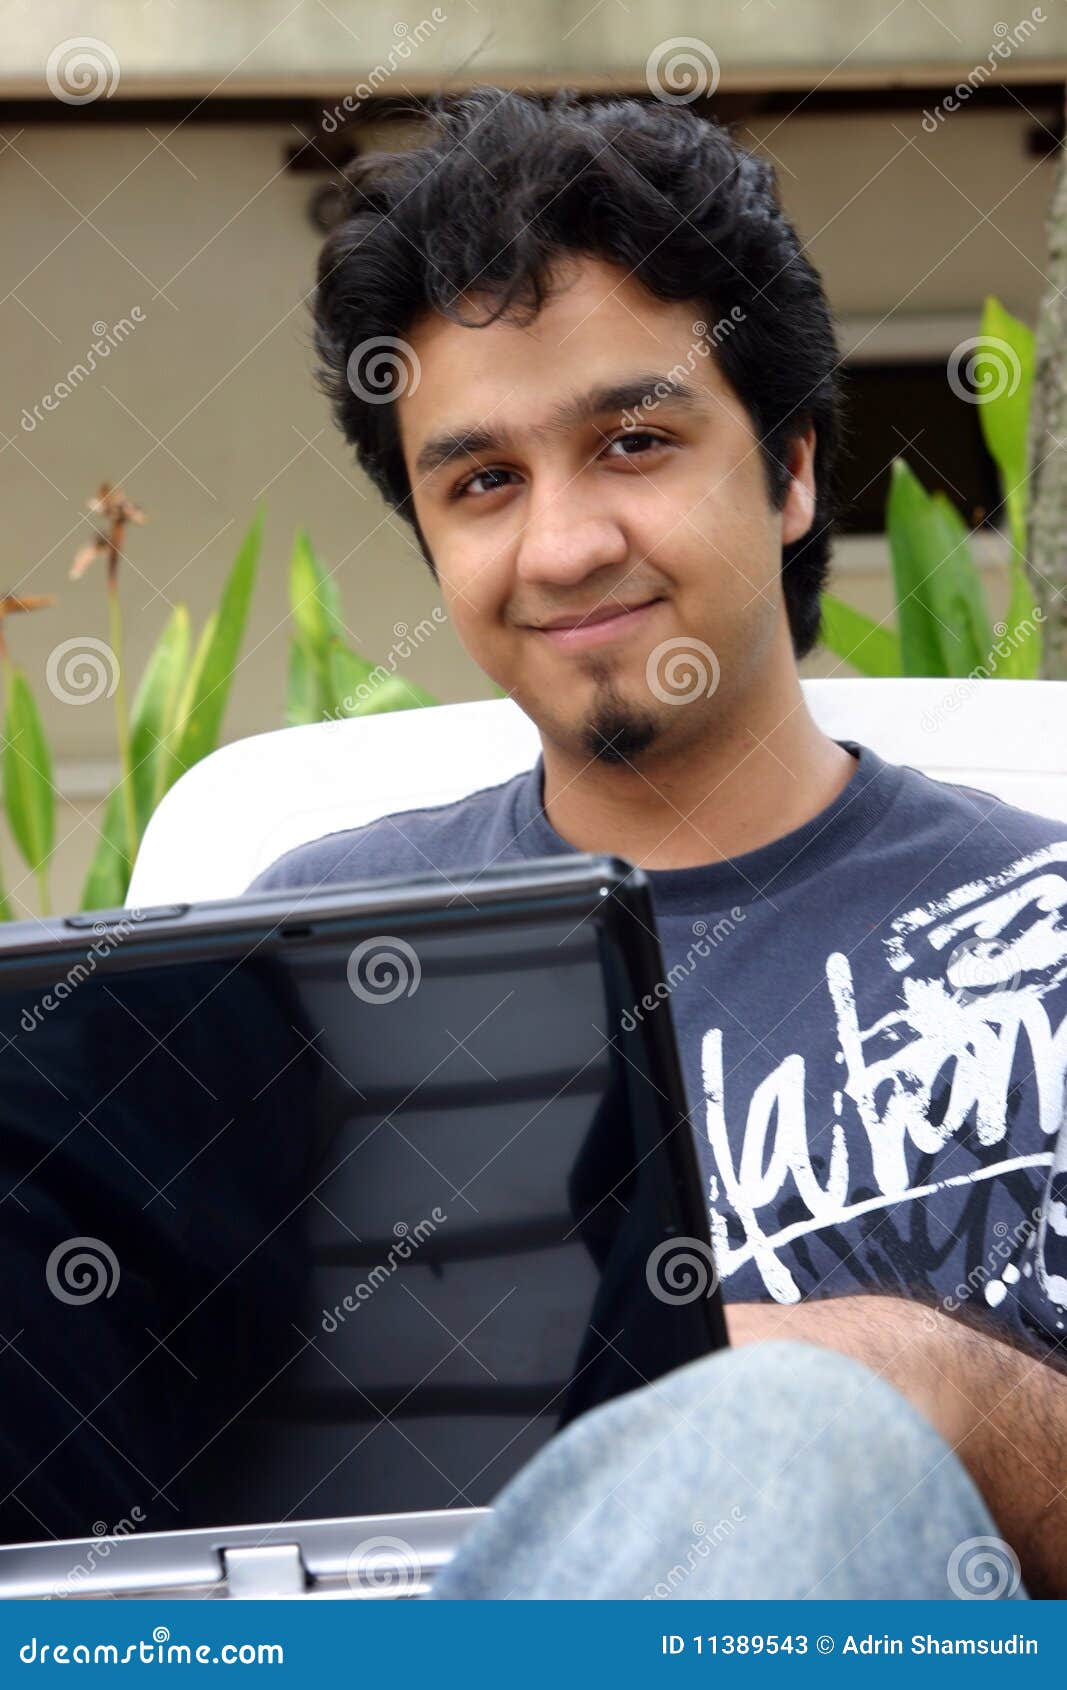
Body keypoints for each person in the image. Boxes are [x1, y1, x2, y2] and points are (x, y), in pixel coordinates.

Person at [245, 87, 1067, 1597]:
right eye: (483, 480)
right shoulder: (304, 951)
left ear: (794, 469)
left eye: (632, 440)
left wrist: (918, 1386)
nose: (561, 545)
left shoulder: (1047, 930)